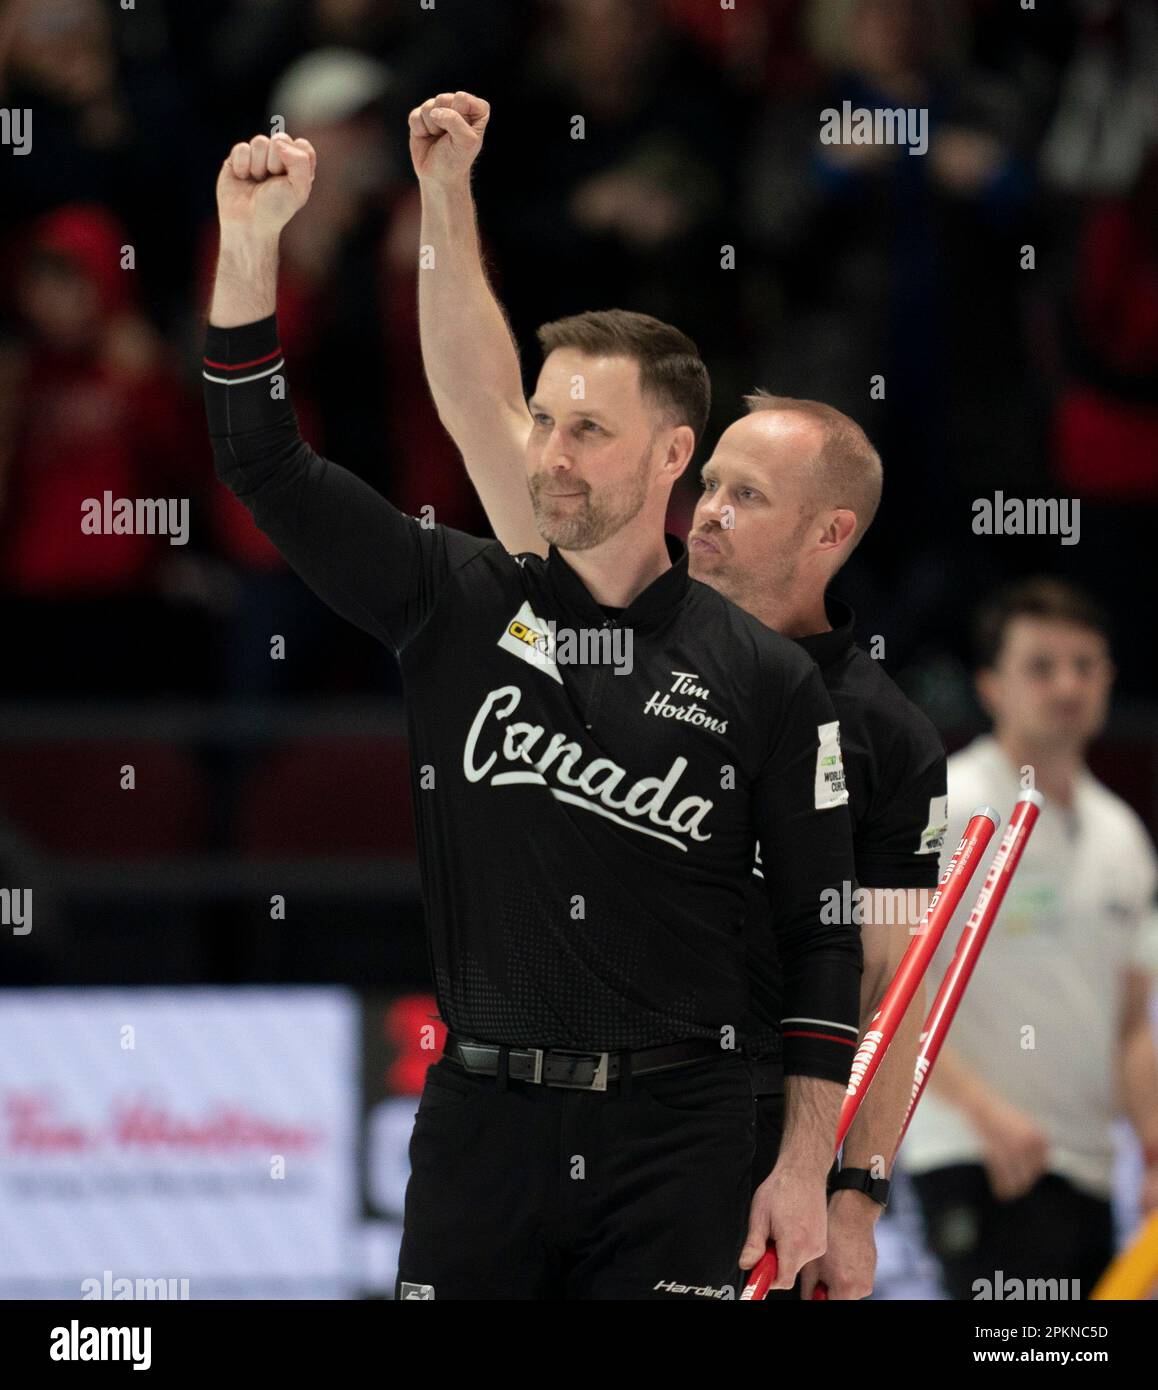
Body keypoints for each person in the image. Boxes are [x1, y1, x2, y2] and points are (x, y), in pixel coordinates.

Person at [203, 126, 862, 1300]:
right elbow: (261, 457)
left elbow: (823, 936)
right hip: (480, 1123)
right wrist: (249, 246)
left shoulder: (766, 676)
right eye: (545, 423)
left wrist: (813, 1165)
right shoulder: (450, 599)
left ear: (673, 453)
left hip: (682, 1135)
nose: (550, 455)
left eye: (588, 431)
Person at [410, 89, 948, 1298]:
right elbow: (475, 400)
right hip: (565, 1117)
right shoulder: (582, 590)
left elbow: (891, 985)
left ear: (832, 533)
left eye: (746, 499)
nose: (706, 510)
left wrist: (852, 1189)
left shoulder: (887, 736)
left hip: (760, 1136)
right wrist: (447, 196)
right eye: (708, 481)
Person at [901, 577, 1158, 1299]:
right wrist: (984, 1115)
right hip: (977, 1152)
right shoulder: (948, 807)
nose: (1068, 685)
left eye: (1086, 665)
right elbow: (893, 983)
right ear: (990, 685)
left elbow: (1133, 1022)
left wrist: (1153, 1146)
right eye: (1042, 666)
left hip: (1089, 1164)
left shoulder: (1123, 837)